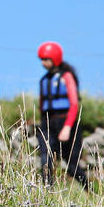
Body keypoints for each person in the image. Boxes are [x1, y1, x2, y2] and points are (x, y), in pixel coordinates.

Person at [35, 41, 89, 189]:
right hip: (48, 124)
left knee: (72, 166)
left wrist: (67, 127)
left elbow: (74, 104)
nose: (43, 63)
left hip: (66, 123)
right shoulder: (44, 80)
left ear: (55, 58)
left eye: (46, 59)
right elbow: (41, 106)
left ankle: (90, 192)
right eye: (42, 60)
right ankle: (48, 192)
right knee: (46, 160)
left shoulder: (67, 77)